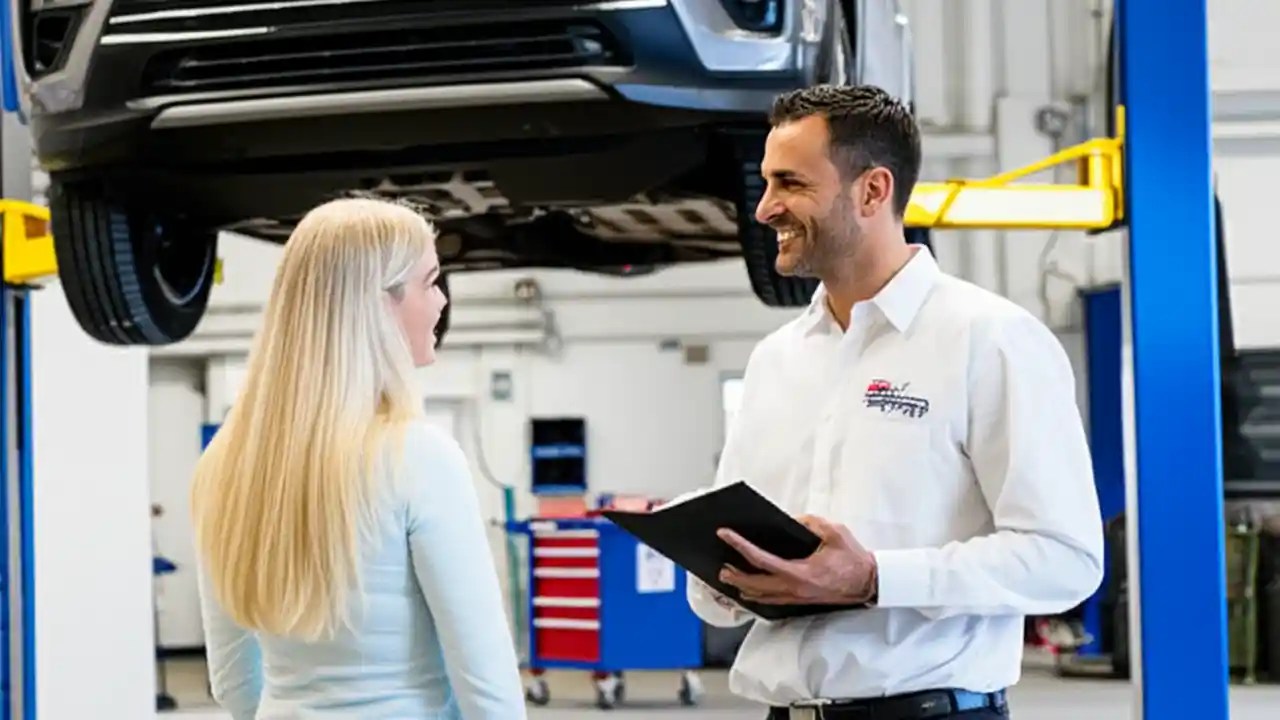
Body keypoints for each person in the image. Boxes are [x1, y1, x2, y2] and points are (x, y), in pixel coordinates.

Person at [685, 85, 1105, 719]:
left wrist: (875, 577)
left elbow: (1065, 560)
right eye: (767, 183)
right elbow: (726, 581)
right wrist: (720, 573)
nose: (765, 208)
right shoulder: (776, 359)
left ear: (872, 191)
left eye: (790, 183)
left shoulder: (990, 339)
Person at [189, 198, 527, 719]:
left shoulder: (226, 463)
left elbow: (233, 680)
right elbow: (485, 679)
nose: (441, 302)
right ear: (379, 303)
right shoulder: (419, 457)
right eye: (429, 283)